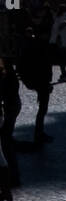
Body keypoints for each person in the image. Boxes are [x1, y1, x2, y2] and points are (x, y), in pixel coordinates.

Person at [18, 25, 54, 144]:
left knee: (42, 109)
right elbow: (43, 66)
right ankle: (39, 133)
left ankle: (39, 132)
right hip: (41, 81)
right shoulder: (41, 46)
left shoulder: (34, 45)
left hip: (38, 80)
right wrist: (47, 81)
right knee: (43, 108)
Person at [0, 54, 21, 188]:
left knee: (5, 146)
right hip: (10, 110)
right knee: (6, 146)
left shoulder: (6, 79)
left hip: (8, 111)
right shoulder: (10, 77)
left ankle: (12, 179)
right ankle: (12, 178)